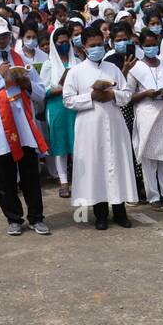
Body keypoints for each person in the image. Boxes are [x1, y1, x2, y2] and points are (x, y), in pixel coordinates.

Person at [0, 16, 49, 237]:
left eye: (5, 36)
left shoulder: (21, 58)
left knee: (31, 175)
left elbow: (41, 92)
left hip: (23, 126)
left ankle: (36, 218)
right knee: (4, 177)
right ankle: (14, 219)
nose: (1, 41)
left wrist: (27, 84)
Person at [63, 25, 136, 231]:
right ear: (84, 47)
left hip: (113, 122)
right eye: (92, 45)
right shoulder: (76, 72)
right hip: (89, 126)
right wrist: (92, 96)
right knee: (97, 167)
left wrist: (113, 94)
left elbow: (126, 94)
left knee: (117, 165)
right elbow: (68, 100)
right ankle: (100, 214)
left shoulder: (112, 68)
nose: (97, 48)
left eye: (100, 44)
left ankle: (120, 211)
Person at [127, 29, 163, 211]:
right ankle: (153, 196)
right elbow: (128, 96)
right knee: (149, 157)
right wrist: (146, 93)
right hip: (146, 114)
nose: (151, 48)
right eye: (147, 45)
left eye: (153, 44)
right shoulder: (136, 68)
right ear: (141, 46)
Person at [39, 25, 78, 199]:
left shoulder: (77, 61)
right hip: (57, 108)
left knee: (77, 144)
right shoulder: (49, 65)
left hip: (75, 107)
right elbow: (43, 91)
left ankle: (79, 179)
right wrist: (64, 84)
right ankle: (63, 181)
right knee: (60, 145)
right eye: (60, 42)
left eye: (66, 42)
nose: (63, 44)